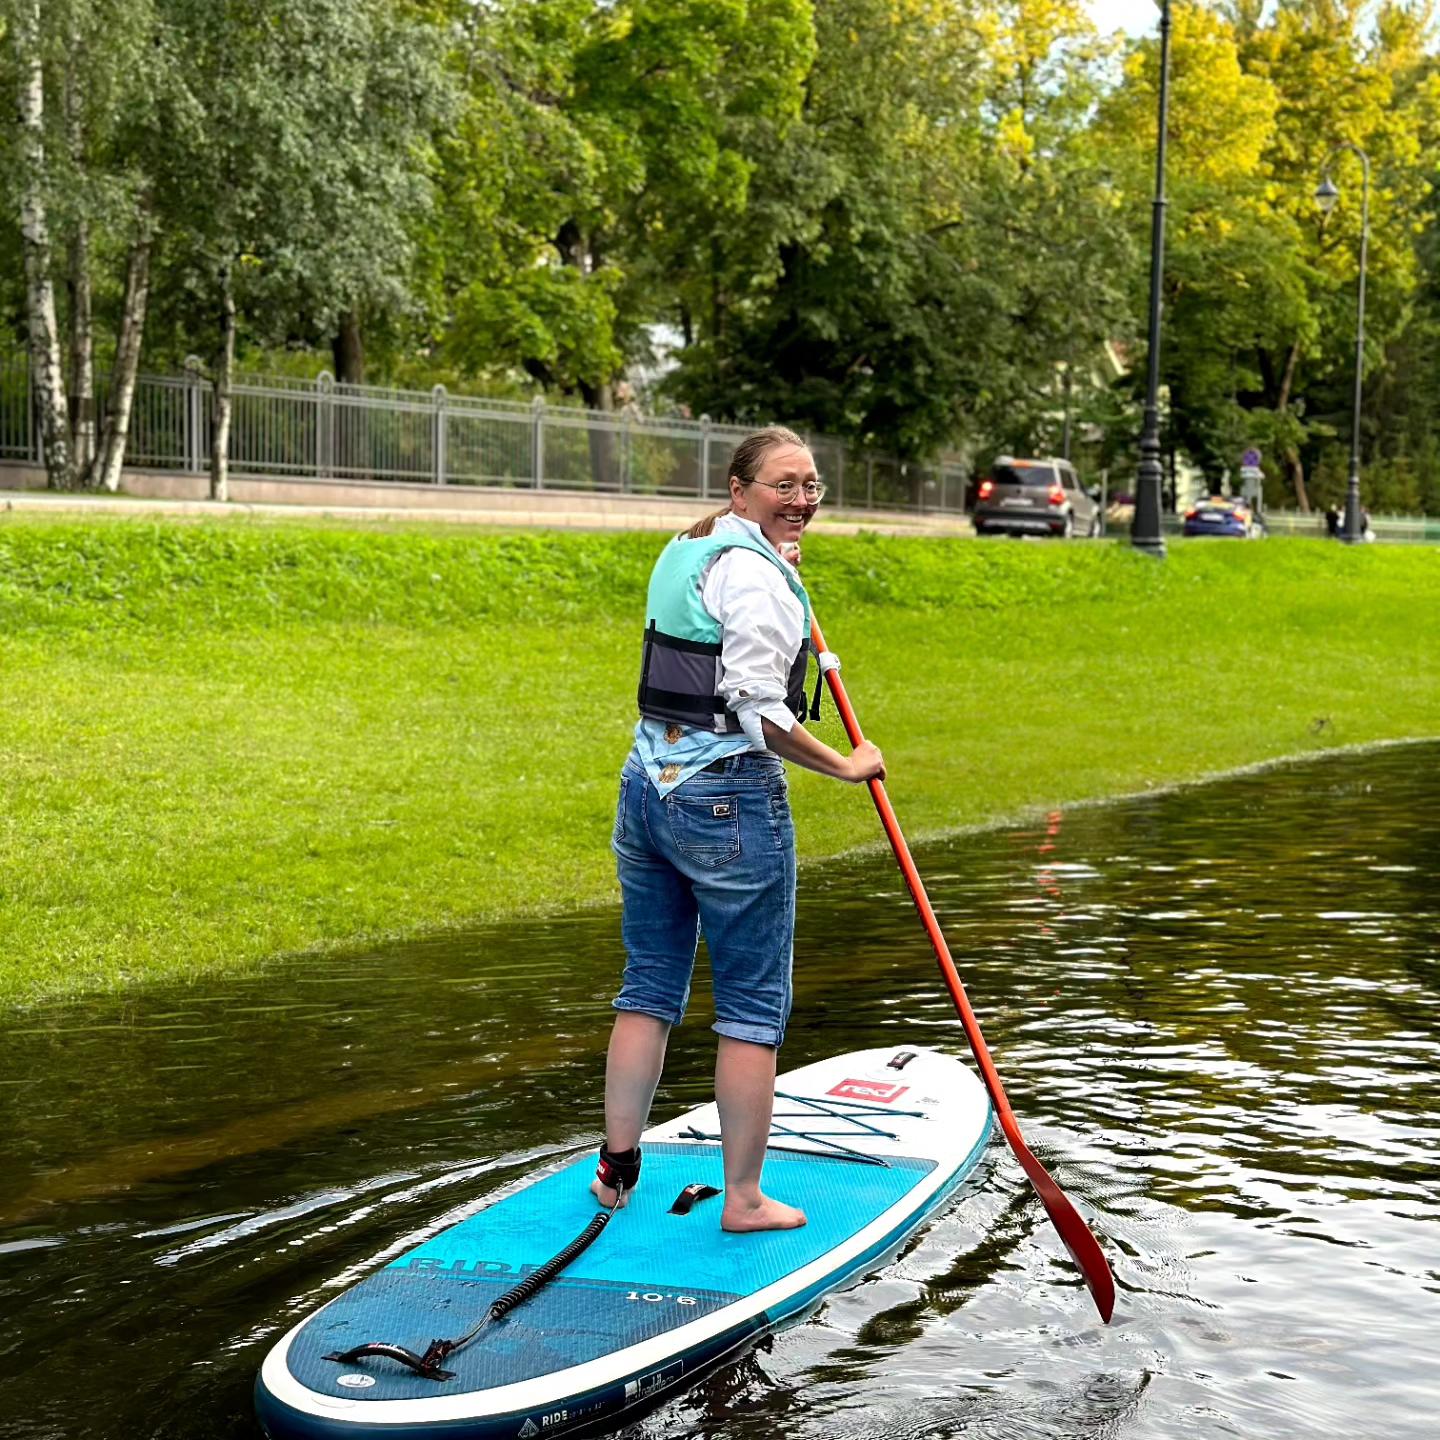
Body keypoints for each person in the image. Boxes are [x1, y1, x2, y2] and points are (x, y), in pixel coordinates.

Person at [591, 426, 886, 1233]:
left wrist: (778, 560)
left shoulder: (692, 549)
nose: (801, 500)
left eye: (811, 486)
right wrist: (844, 764)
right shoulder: (755, 580)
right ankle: (746, 1200)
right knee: (753, 1004)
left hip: (646, 788)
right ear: (739, 489)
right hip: (724, 801)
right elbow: (759, 709)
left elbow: (709, 632)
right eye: (783, 486)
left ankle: (616, 1171)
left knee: (650, 982)